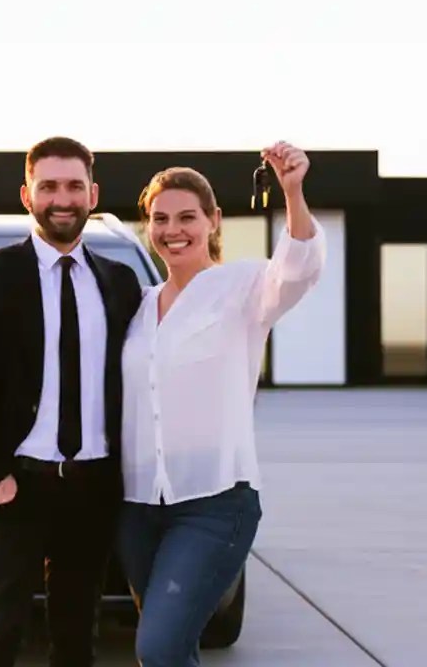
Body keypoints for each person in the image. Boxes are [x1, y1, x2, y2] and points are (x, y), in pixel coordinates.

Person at [0, 136, 144, 667]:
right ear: (26, 195)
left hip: (93, 489)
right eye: (48, 186)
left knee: (76, 641)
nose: (62, 198)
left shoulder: (120, 284)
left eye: (74, 186)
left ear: (93, 194)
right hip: (17, 487)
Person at [117, 142, 325, 666]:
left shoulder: (245, 286)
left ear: (213, 220)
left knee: (158, 647)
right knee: (173, 649)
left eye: (188, 217)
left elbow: (298, 266)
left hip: (214, 503)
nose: (173, 230)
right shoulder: (137, 306)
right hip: (138, 507)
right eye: (160, 219)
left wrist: (293, 190)